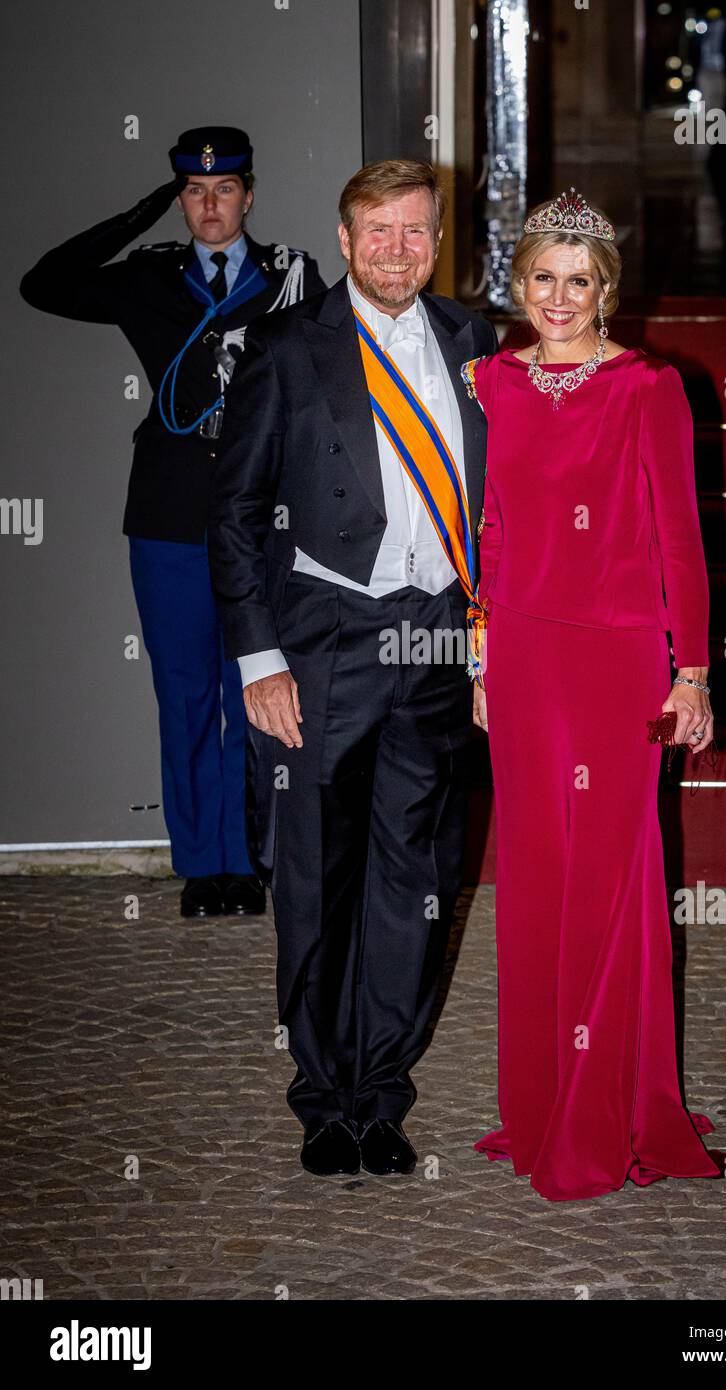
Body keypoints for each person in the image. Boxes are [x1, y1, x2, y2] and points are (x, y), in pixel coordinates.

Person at [207, 159, 498, 1177]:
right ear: (342, 239)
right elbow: (236, 515)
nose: (396, 249)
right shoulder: (289, 348)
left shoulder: (474, 343)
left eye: (414, 231)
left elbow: (499, 509)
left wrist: (492, 633)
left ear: (437, 240)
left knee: (413, 880)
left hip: (433, 645)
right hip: (323, 639)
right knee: (318, 882)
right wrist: (259, 658)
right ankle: (323, 1096)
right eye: (377, 231)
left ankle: (382, 1089)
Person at [462, 189, 726, 1201]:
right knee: (536, 872)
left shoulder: (649, 389)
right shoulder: (492, 379)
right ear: (521, 284)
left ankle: (613, 1103)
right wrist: (485, 653)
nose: (561, 296)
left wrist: (693, 669)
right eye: (544, 277)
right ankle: (542, 1104)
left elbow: (682, 539)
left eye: (579, 281)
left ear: (606, 289)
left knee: (617, 875)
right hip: (529, 658)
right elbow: (489, 525)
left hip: (623, 657)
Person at [20, 127, 325, 919]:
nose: (209, 204)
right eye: (192, 190)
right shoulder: (150, 279)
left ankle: (251, 859)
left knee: (253, 687)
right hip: (167, 511)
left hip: (260, 514)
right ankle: (203, 865)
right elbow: (43, 284)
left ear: (249, 194)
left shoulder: (290, 277)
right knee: (184, 692)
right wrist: (136, 215)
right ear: (178, 197)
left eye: (224, 190)